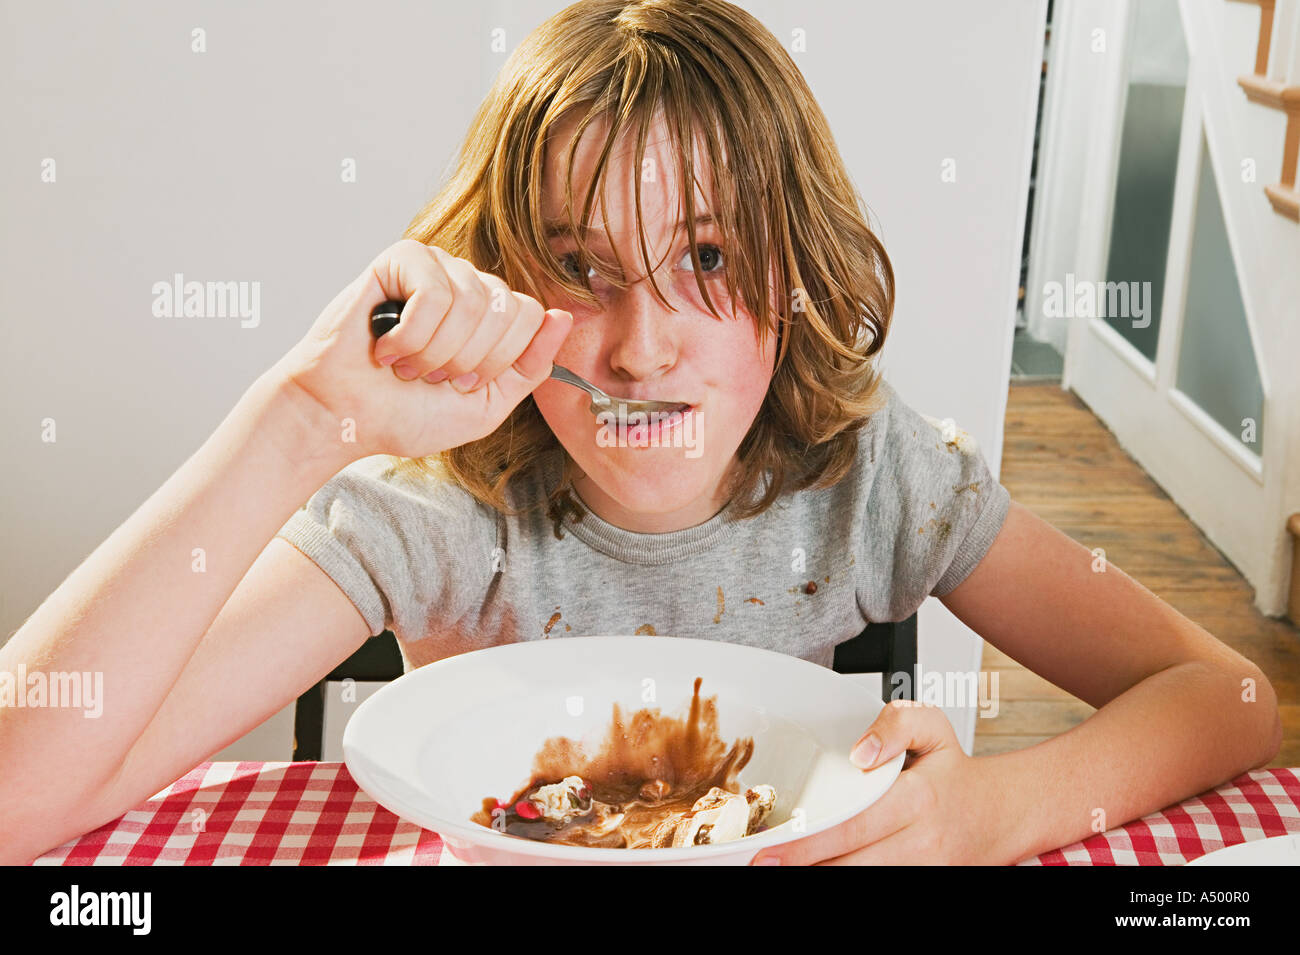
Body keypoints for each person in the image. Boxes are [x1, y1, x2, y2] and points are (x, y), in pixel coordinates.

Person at [0, 0, 1279, 866]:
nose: (641, 345)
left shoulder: (869, 477)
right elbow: (15, 802)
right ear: (501, 273)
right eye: (578, 264)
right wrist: (301, 418)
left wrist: (991, 810)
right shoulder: (432, 513)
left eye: (707, 258)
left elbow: (1230, 699)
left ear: (793, 274)